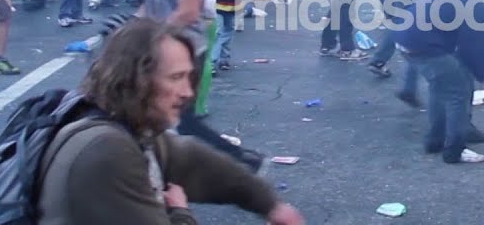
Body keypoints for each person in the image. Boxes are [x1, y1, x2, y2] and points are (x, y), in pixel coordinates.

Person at [35, 19, 304, 224]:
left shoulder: (127, 126)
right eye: (176, 78)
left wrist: (271, 205)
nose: (188, 92)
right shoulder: (106, 151)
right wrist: (179, 211)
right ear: (136, 80)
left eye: (188, 78)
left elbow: (190, 159)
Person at [137, 0, 263, 170]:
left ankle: (238, 162)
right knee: (168, 119)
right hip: (164, 47)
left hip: (184, 49)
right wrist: (130, 30)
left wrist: (149, 37)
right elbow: (151, 3)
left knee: (178, 121)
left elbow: (188, 11)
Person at [395, 0, 484, 164]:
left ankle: (435, 140)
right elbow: (472, 46)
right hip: (424, 45)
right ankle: (454, 150)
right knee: (458, 91)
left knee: (441, 87)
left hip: (407, 37)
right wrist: (483, 76)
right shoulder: (475, 2)